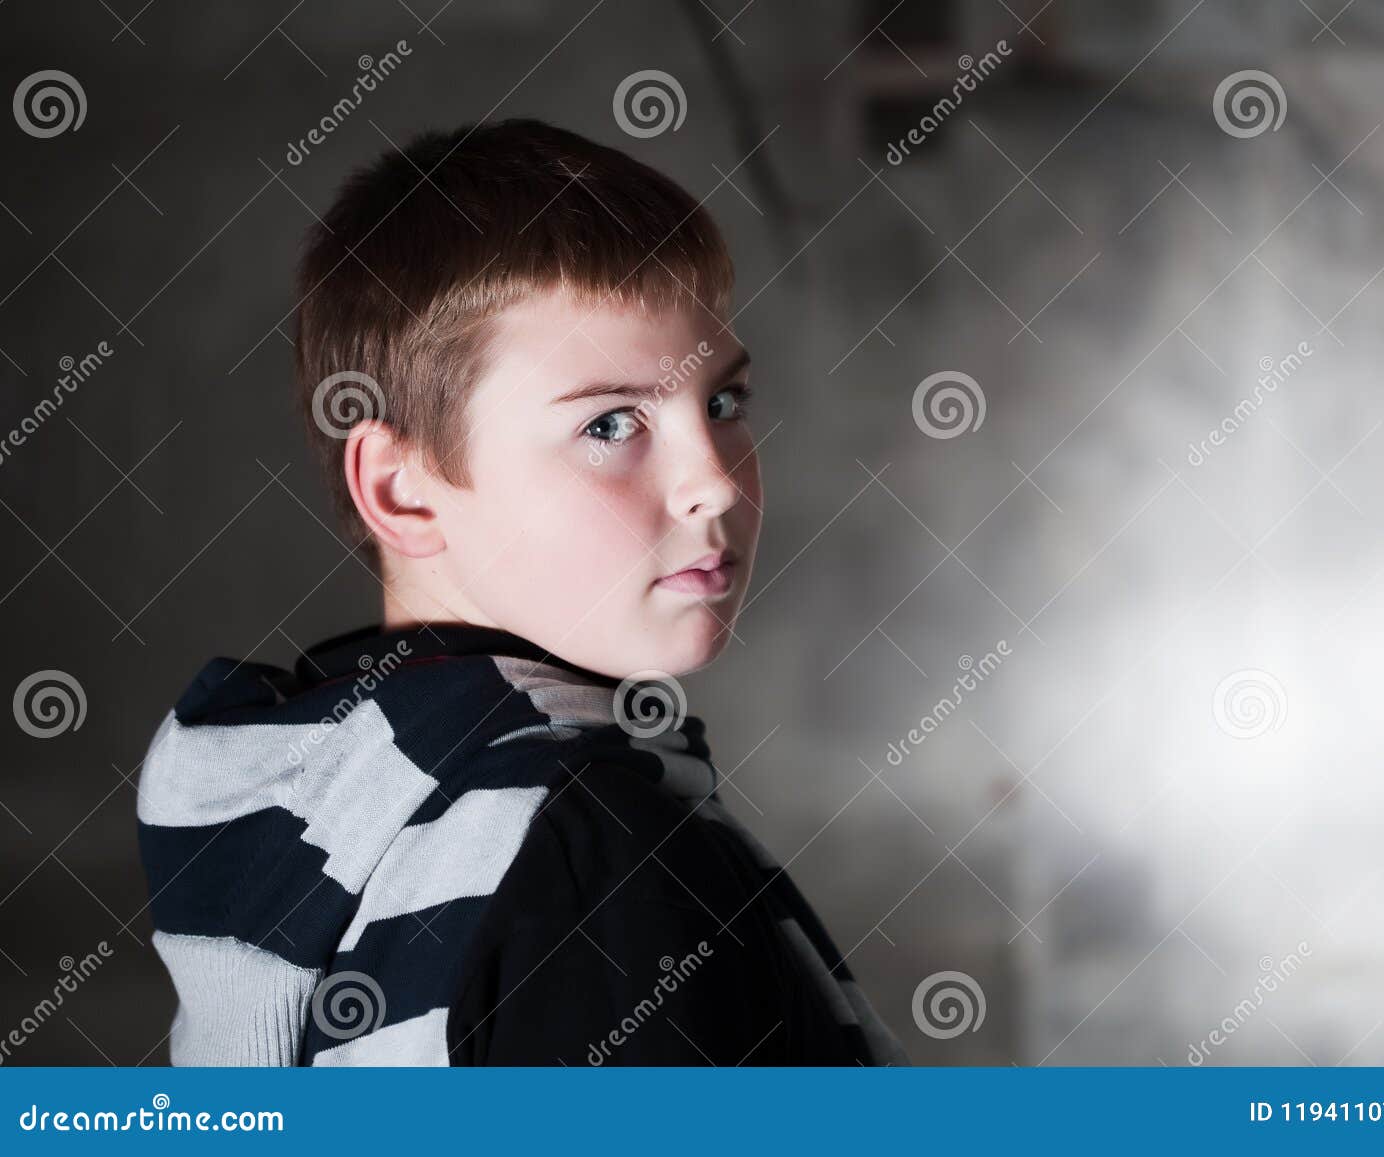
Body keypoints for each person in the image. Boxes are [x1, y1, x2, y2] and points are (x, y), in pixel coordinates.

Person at [134, 117, 908, 1067]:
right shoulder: (594, 856)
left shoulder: (301, 819)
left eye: (722, 403)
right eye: (611, 422)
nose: (713, 476)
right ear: (401, 488)